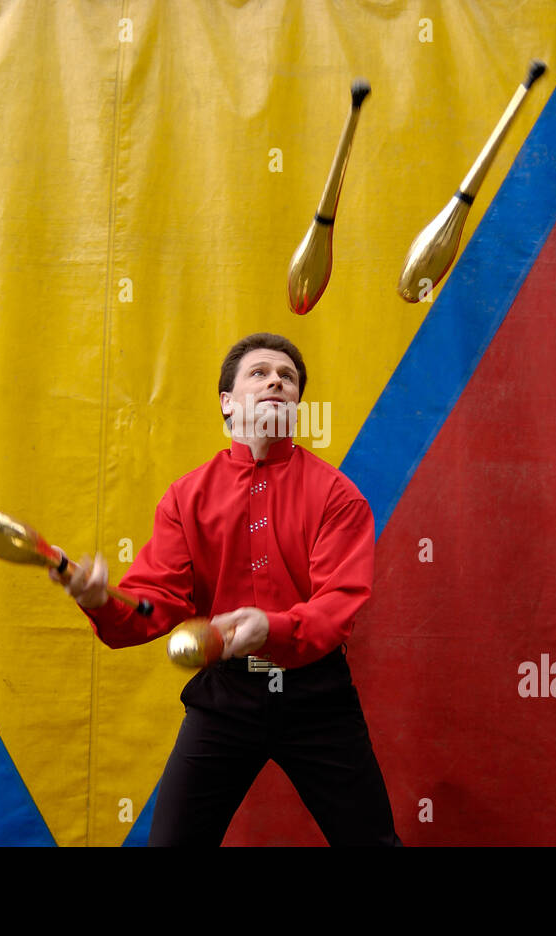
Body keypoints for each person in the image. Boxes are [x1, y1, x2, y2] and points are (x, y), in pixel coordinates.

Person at [52, 332, 401, 846]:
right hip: (227, 696)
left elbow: (336, 607)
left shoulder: (337, 496)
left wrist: (272, 628)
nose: (276, 381)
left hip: (316, 694)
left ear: (297, 405)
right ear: (227, 402)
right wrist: (100, 600)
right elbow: (156, 604)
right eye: (259, 373)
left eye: (288, 378)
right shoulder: (186, 497)